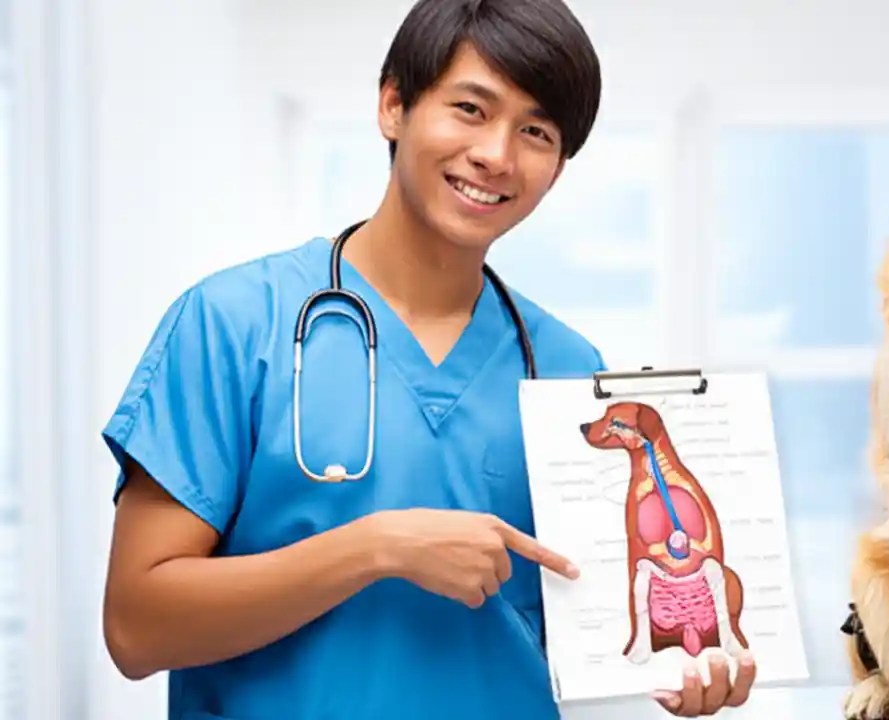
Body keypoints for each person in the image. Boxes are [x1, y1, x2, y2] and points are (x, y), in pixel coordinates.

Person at [98, 1, 757, 718]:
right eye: (470, 109)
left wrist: (688, 670)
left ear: (558, 168)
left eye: (535, 132)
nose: (497, 156)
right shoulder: (233, 326)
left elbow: (592, 625)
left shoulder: (568, 370)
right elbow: (136, 627)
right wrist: (377, 547)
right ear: (393, 105)